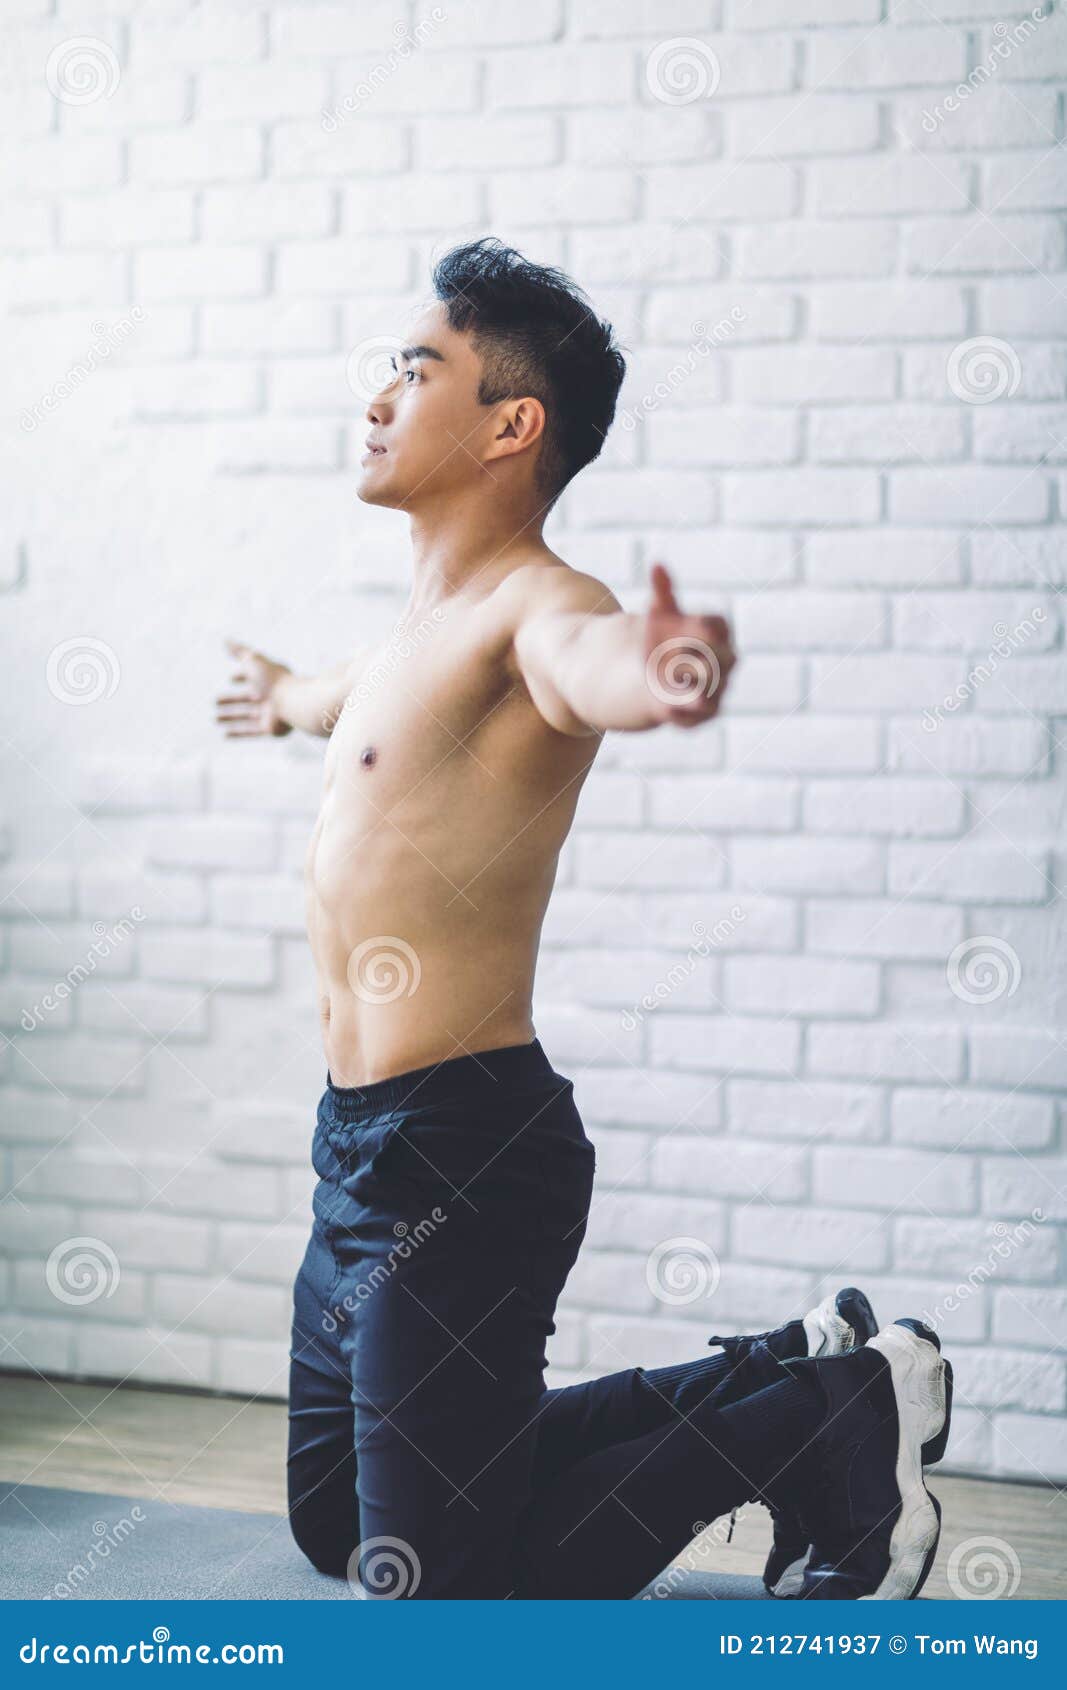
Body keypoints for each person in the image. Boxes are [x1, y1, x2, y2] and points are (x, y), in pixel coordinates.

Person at [215, 239, 951, 1600]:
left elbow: (595, 663)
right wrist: (279, 694)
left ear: (512, 423)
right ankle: (783, 1375)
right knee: (341, 1523)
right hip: (361, 1150)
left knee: (435, 1587)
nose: (379, 395)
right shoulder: (406, 643)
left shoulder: (541, 610)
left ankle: (823, 1427)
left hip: (463, 1152)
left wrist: (667, 667)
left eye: (415, 368)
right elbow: (343, 697)